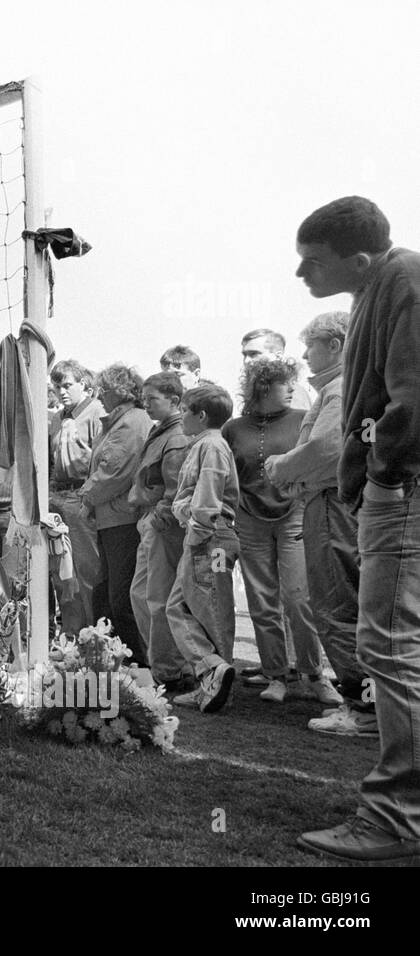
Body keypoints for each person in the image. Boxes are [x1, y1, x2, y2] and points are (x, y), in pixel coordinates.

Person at [293, 196, 420, 862]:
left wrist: (384, 474)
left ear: (358, 258)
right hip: (392, 486)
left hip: (403, 490)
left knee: (392, 645)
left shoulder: (404, 278)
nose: (301, 273)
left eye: (312, 261)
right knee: (397, 646)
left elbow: (412, 397)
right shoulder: (382, 283)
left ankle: (398, 817)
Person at [264, 312, 375, 736]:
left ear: (335, 345)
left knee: (337, 606)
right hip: (335, 499)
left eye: (310, 345)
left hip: (333, 504)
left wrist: (282, 467)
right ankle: (369, 704)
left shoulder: (341, 388)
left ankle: (363, 709)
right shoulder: (350, 385)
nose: (305, 355)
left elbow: (328, 448)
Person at [223, 356, 338, 705]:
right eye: (284, 383)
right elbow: (228, 476)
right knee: (261, 603)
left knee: (299, 598)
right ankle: (276, 675)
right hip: (248, 519)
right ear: (262, 387)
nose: (291, 388)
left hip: (295, 516)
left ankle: (314, 674)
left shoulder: (304, 419)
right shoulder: (233, 428)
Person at [166, 385, 241, 713]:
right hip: (211, 535)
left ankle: (212, 673)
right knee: (188, 607)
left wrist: (196, 532)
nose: (180, 416)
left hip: (209, 537)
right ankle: (211, 675)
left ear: (201, 415)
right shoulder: (209, 445)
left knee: (207, 609)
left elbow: (208, 496)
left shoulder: (211, 446)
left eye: (184, 410)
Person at [79, 364, 151, 663]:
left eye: (103, 391)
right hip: (113, 517)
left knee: (119, 597)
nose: (100, 398)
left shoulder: (131, 423)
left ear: (117, 393)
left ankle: (136, 661)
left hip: (122, 518)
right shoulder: (120, 422)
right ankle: (116, 659)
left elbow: (113, 472)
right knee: (106, 594)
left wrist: (87, 498)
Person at [129, 372, 192, 690]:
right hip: (151, 520)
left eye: (152, 399)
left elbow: (177, 487)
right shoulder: (162, 431)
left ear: (175, 401)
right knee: (142, 594)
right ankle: (162, 663)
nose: (146, 404)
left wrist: (158, 519)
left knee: (156, 597)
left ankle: (169, 669)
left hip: (161, 524)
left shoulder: (176, 435)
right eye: (145, 398)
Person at [48, 360, 105, 634]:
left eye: (68, 385)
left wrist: (88, 497)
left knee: (87, 570)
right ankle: (70, 632)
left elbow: (103, 459)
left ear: (84, 384)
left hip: (81, 496)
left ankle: (94, 635)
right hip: (57, 497)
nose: (62, 391)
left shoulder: (96, 413)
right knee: (62, 571)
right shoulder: (57, 418)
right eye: (57, 386)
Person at [240, 329, 313, 410]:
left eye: (254, 354)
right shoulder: (259, 391)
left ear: (278, 356)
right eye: (244, 355)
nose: (246, 361)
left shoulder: (291, 393)